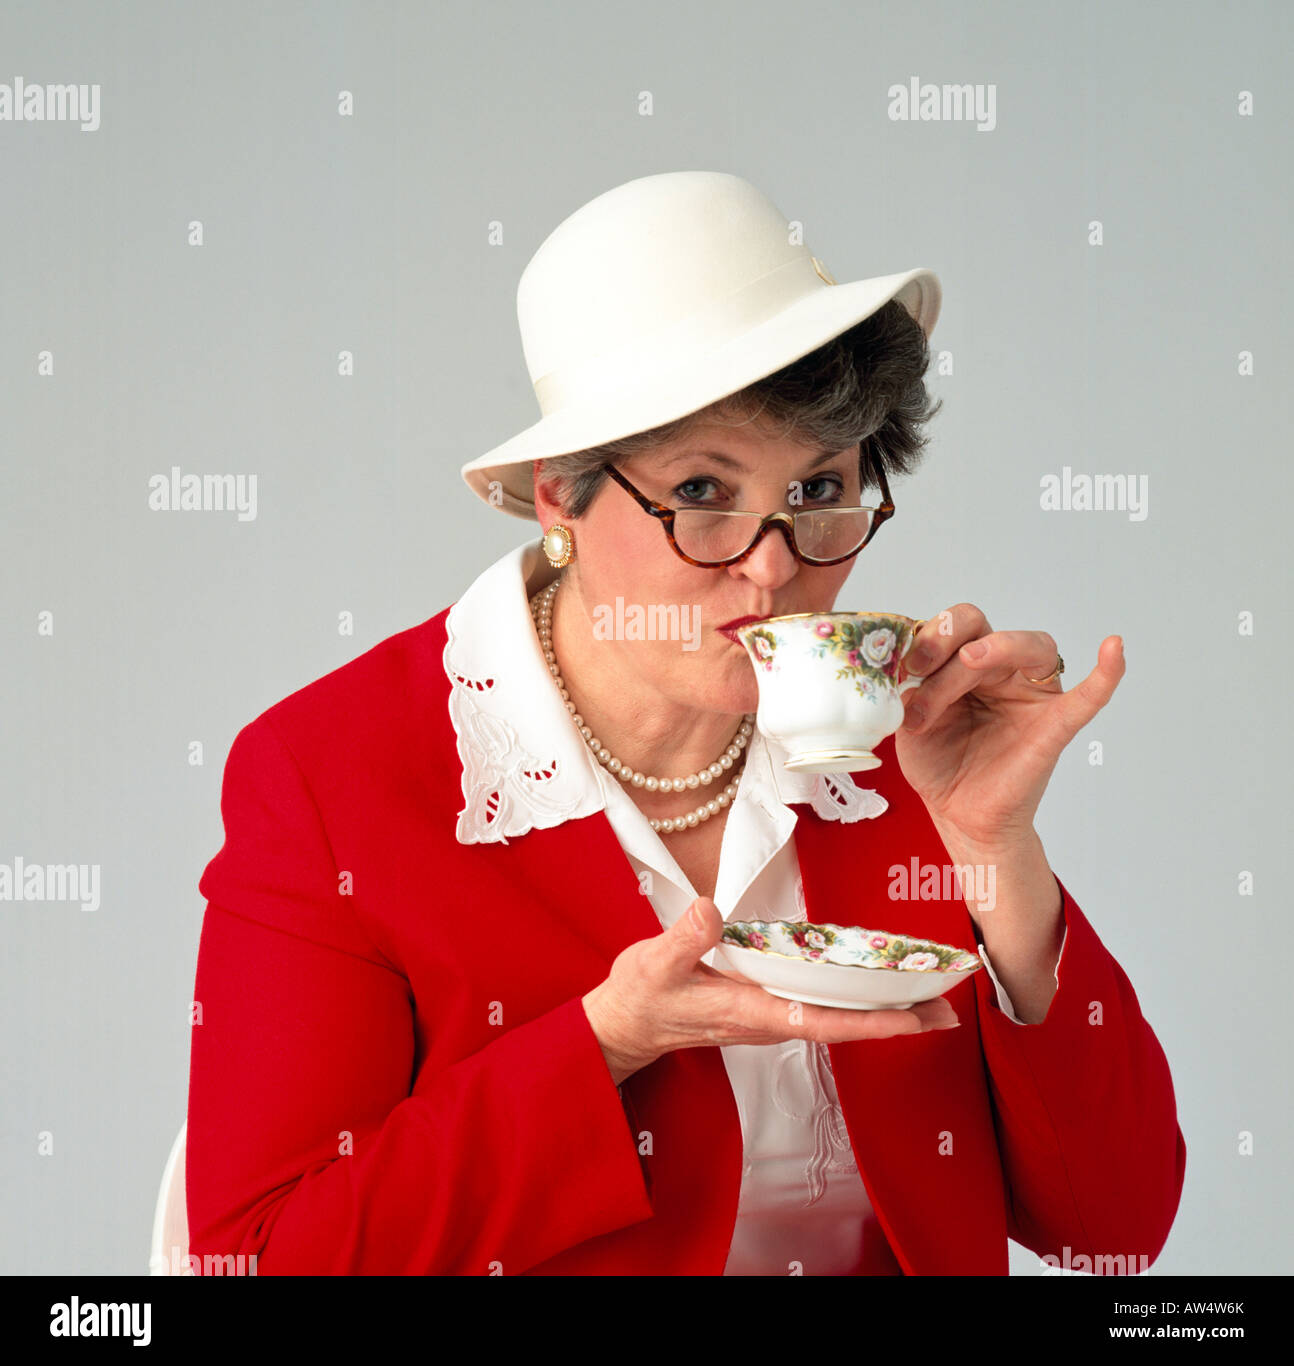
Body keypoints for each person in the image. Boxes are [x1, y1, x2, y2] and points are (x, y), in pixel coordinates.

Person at [186, 170, 1185, 1275]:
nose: (770, 567)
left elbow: (1115, 1230)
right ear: (561, 500)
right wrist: (603, 1044)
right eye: (703, 491)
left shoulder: (904, 739)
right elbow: (262, 1258)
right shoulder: (331, 778)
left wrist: (998, 854)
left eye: (817, 492)